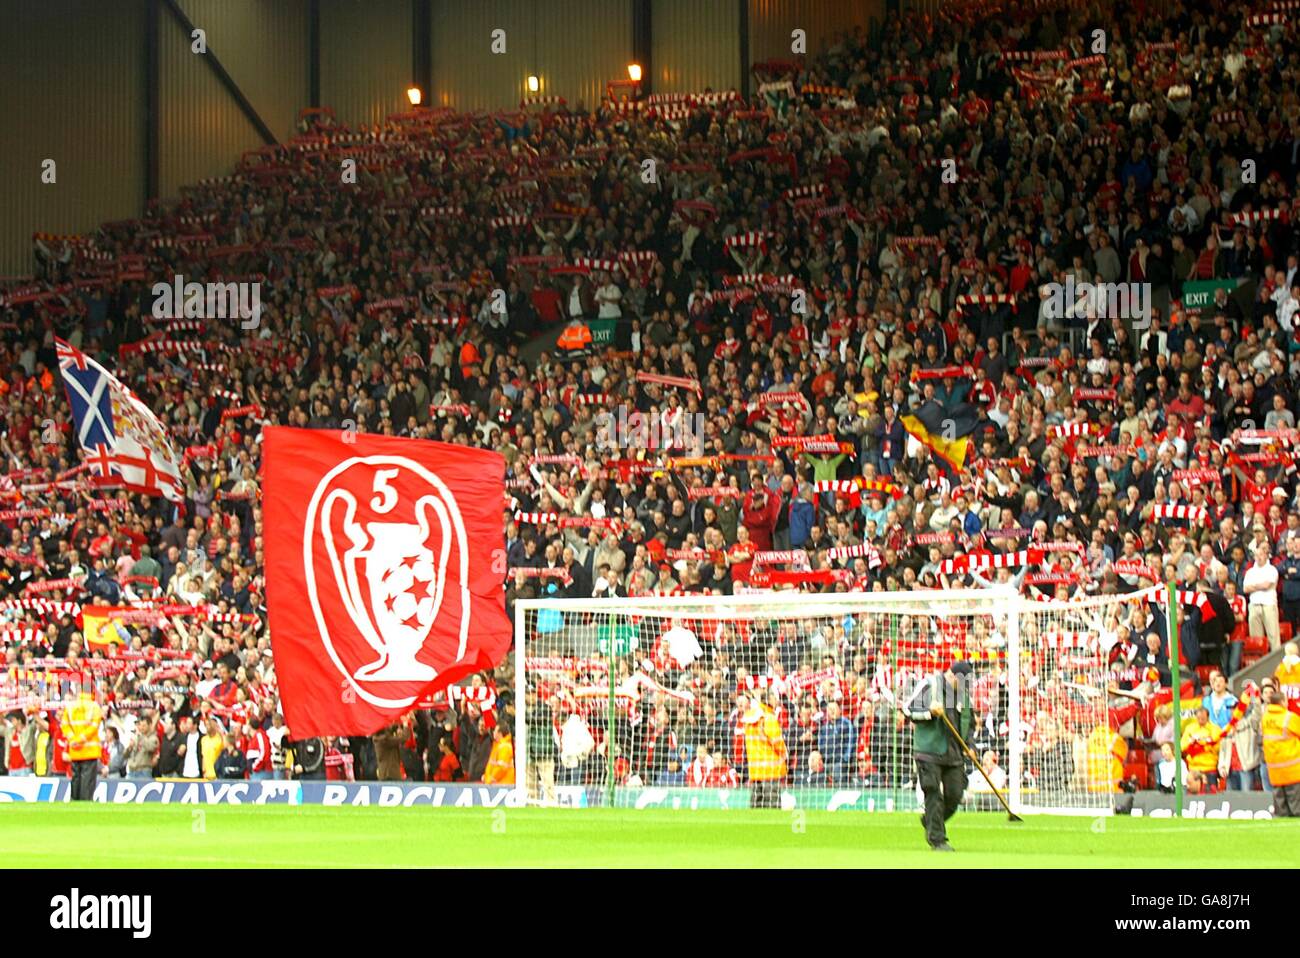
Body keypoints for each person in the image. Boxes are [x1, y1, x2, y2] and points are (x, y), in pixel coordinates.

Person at [904, 659, 974, 851]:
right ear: (952, 675)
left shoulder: (963, 696)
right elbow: (908, 709)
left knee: (955, 795)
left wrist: (970, 746)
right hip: (929, 751)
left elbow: (969, 723)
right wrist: (930, 712)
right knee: (933, 792)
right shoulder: (929, 685)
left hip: (954, 755)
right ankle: (937, 840)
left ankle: (931, 821)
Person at [742, 689, 788, 808]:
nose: (777, 701)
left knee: (756, 805)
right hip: (770, 770)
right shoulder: (769, 718)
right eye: (774, 698)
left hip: (755, 769)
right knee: (772, 805)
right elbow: (777, 742)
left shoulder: (749, 718)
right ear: (769, 700)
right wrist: (784, 755)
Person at [60, 688, 104, 801]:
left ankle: (74, 801)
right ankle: (85, 803)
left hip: (75, 750)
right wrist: (80, 739)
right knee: (87, 780)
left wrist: (72, 739)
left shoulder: (70, 706)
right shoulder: (94, 706)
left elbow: (64, 725)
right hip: (90, 750)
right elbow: (94, 727)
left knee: (75, 778)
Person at [1261, 688, 1300, 816]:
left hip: (1274, 770)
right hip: (1292, 769)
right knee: (1296, 808)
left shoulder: (1265, 718)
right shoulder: (1289, 717)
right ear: (1283, 702)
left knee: (1281, 809)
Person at [1180, 707, 1223, 792]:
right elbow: (1182, 746)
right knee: (1193, 793)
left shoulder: (1215, 729)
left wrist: (1203, 743)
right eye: (1198, 718)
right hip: (1193, 769)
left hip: (1209, 768)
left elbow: (1218, 747)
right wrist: (1191, 743)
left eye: (1203, 718)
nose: (1200, 720)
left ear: (1208, 717)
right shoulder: (1190, 729)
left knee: (1211, 793)